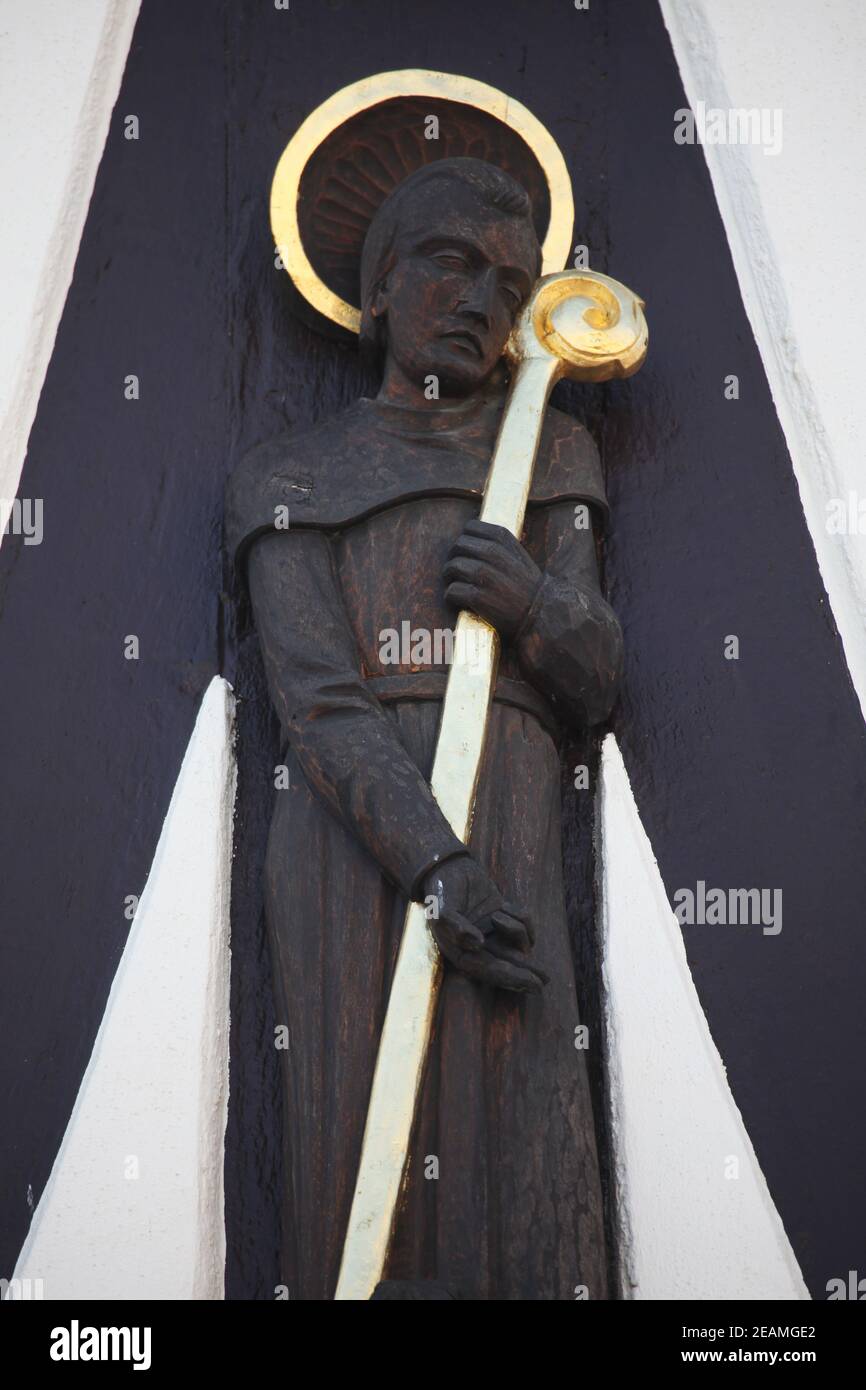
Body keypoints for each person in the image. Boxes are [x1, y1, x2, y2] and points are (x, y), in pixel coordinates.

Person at [226, 158, 623, 1299]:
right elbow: (317, 699)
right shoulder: (290, 472)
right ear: (381, 286)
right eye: (449, 265)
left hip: (510, 809)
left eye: (508, 287)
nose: (479, 305)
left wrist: (537, 605)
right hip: (359, 847)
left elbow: (593, 678)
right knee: (361, 1139)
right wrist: (432, 865)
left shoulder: (541, 453)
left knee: (521, 1131)